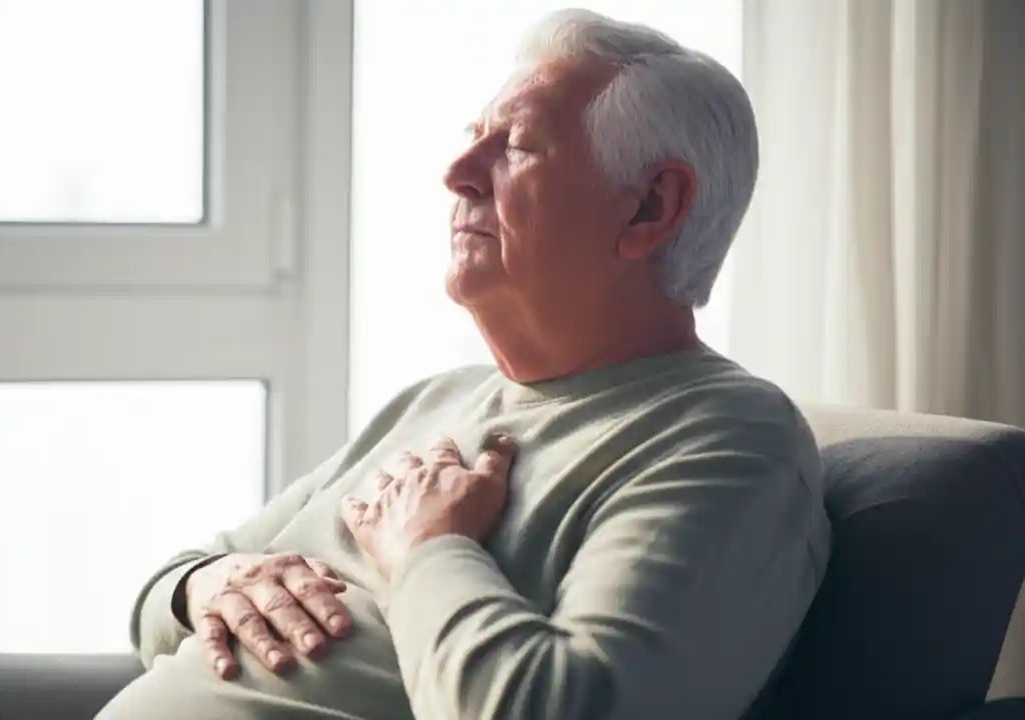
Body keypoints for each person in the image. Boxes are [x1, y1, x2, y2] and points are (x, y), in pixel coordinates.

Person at [97, 8, 830, 720]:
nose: (456, 173)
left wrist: (427, 546)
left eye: (515, 146)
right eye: (473, 137)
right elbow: (171, 589)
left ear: (649, 208)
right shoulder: (434, 402)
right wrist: (210, 583)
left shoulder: (728, 441)